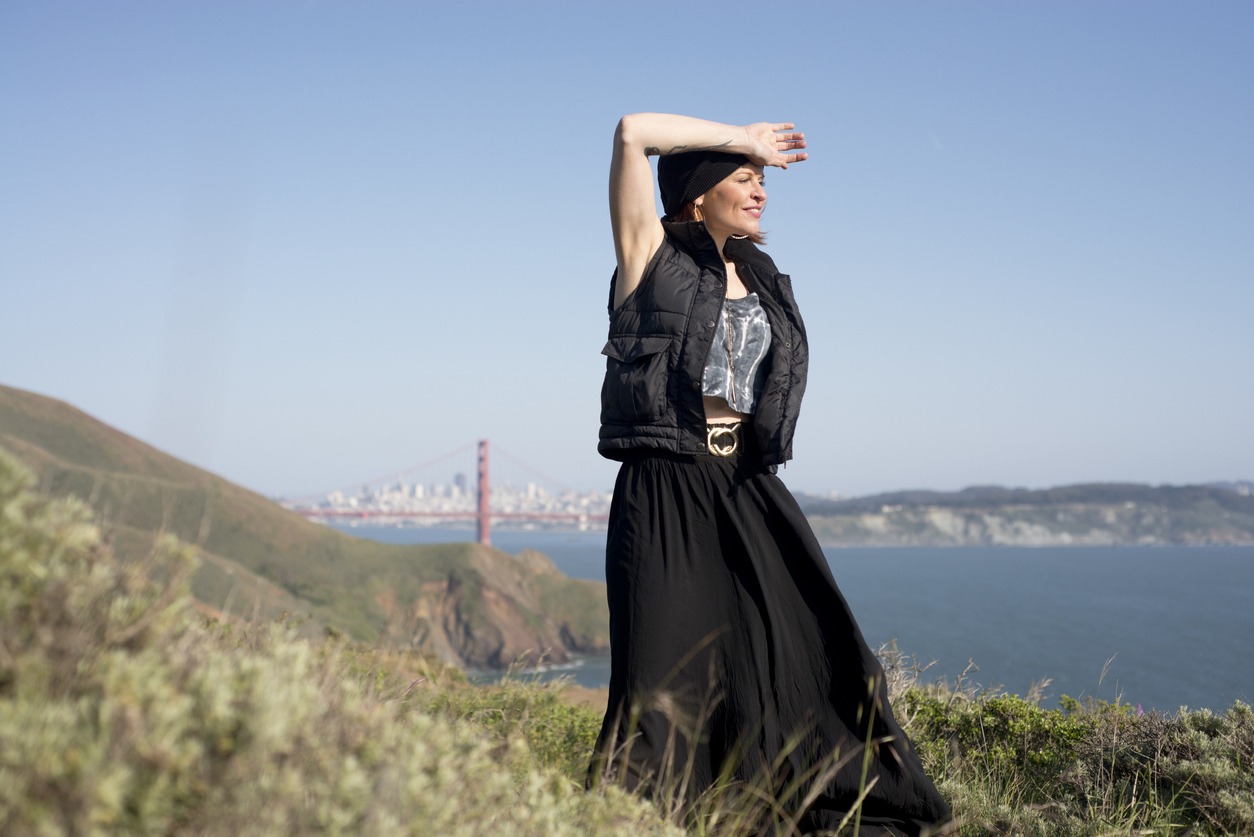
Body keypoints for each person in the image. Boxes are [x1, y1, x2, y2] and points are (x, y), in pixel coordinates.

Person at [589, 113, 952, 836]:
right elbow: (632, 132)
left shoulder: (759, 275)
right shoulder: (648, 256)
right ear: (698, 194)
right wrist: (742, 136)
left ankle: (800, 800)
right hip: (666, 485)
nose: (760, 189)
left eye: (762, 179)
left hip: (747, 483)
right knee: (662, 677)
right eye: (743, 177)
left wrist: (743, 156)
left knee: (813, 644)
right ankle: (639, 820)